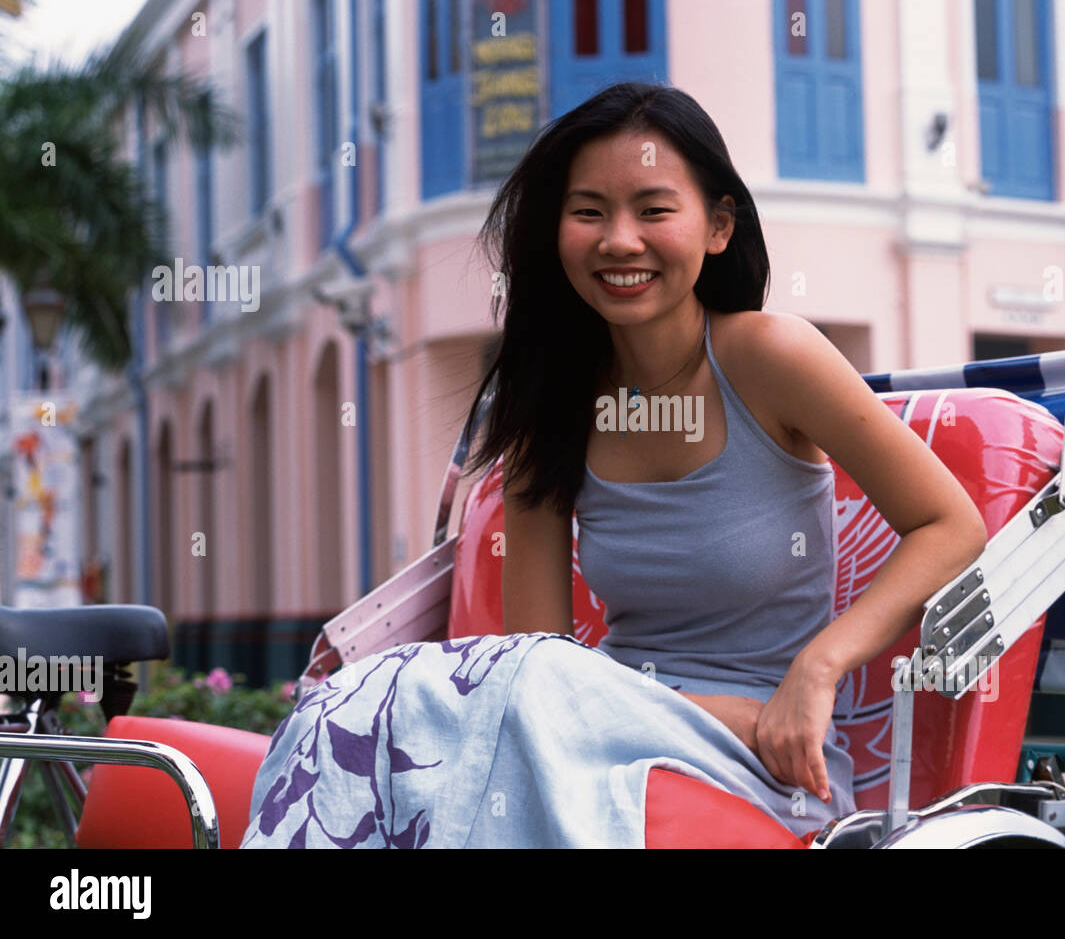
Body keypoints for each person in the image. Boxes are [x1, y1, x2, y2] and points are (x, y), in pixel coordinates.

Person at [241, 82, 987, 849]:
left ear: (719, 226)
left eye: (654, 210)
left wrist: (819, 666)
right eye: (589, 211)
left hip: (768, 752)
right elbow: (534, 666)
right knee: (389, 700)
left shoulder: (771, 356)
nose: (619, 241)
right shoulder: (546, 408)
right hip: (598, 731)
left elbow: (951, 524)